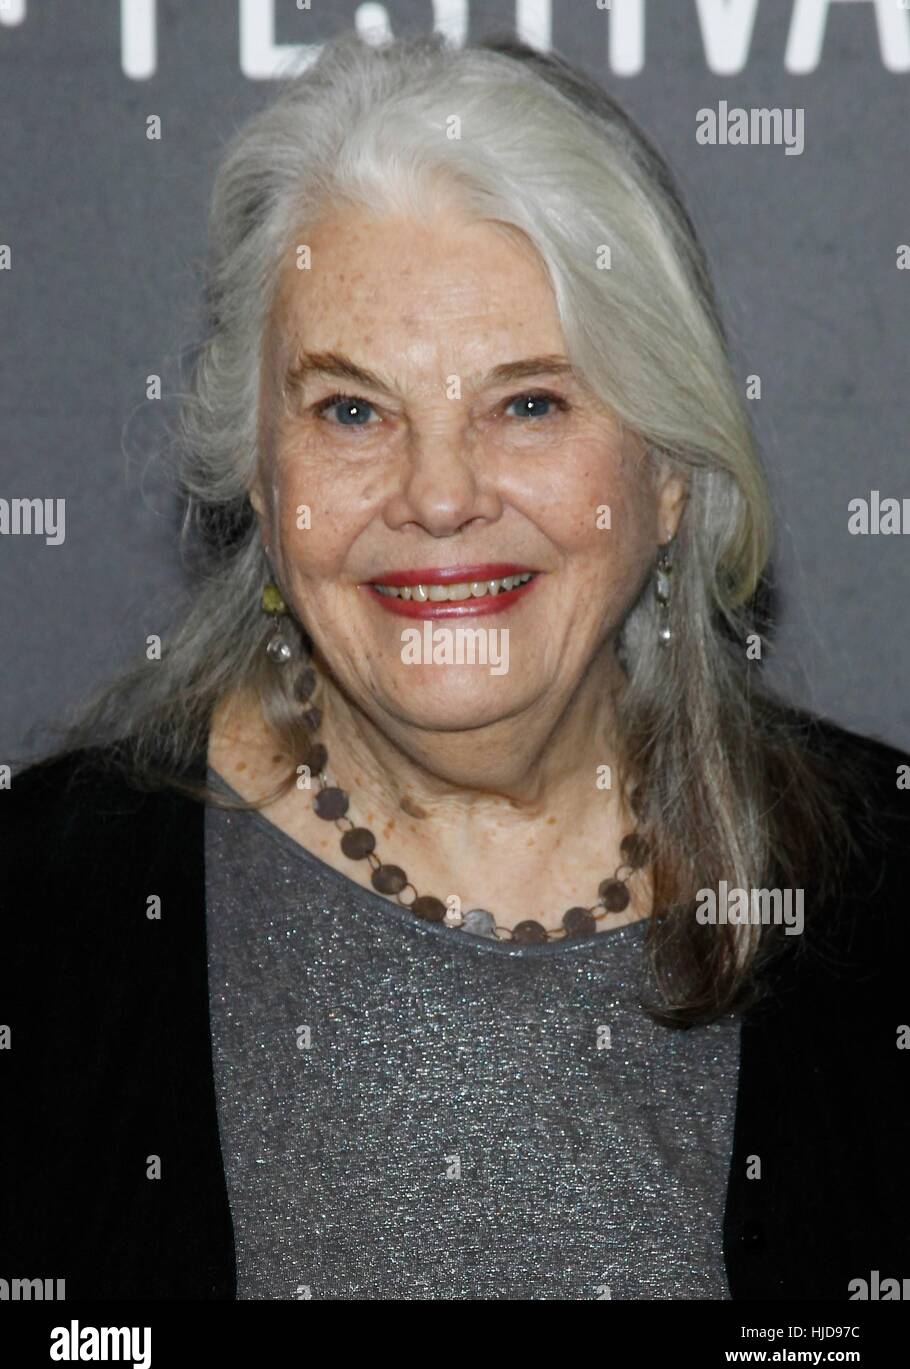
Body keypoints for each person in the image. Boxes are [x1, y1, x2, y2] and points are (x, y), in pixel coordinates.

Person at [2, 30, 908, 1302]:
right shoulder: (41, 921)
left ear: (666, 476)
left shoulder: (883, 896)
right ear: (264, 479)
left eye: (528, 402)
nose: (437, 496)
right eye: (352, 410)